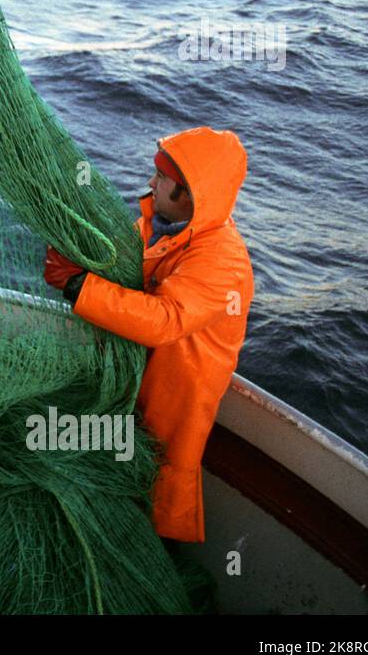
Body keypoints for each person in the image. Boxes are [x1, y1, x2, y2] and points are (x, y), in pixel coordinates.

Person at [44, 126, 254, 543]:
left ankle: (158, 558)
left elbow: (164, 319)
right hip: (134, 381)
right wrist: (82, 254)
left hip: (175, 400)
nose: (150, 182)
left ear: (190, 194)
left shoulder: (223, 261)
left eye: (161, 176)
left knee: (164, 480)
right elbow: (130, 277)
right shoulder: (158, 227)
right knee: (127, 465)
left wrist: (77, 285)